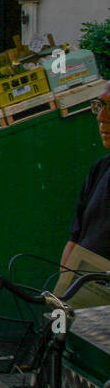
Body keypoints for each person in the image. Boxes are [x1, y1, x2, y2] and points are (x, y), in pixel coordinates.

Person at [63, 85, 110, 308]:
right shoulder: (100, 169)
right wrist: (61, 296)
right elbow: (75, 238)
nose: (102, 117)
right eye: (100, 106)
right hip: (84, 297)